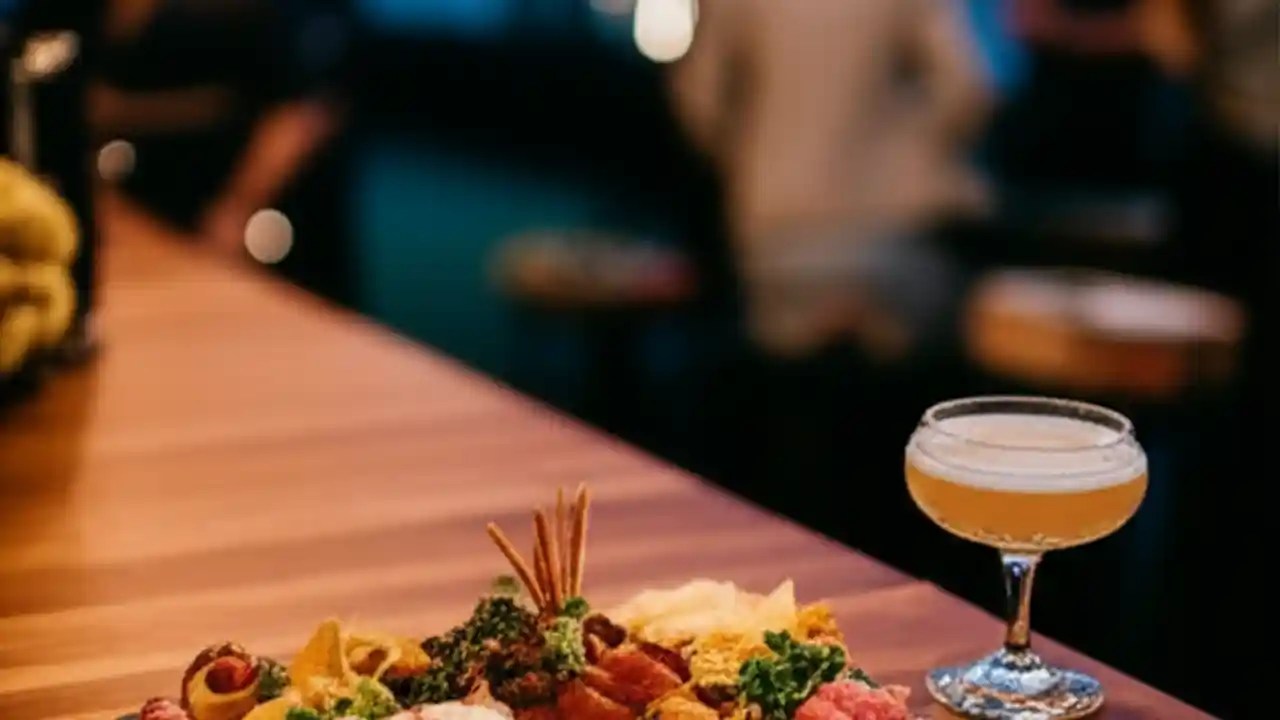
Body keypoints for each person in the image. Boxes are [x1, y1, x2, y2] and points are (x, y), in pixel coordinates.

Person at [669, 0, 989, 361]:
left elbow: (699, 98)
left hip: (777, 232)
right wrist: (912, 152)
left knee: (785, 386)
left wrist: (751, 161)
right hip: (887, 235)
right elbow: (967, 88)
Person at [92, 0, 352, 301]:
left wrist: (236, 210)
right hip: (164, 226)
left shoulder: (306, 17)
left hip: (273, 235)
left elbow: (303, 111)